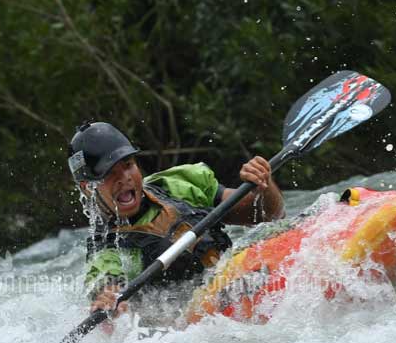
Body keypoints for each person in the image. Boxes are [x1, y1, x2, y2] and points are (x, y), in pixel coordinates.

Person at [67, 122, 284, 327]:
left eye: (128, 165)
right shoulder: (107, 249)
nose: (124, 178)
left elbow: (267, 214)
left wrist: (263, 186)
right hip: (201, 325)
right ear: (88, 188)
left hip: (242, 275)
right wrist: (108, 298)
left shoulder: (177, 185)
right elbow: (105, 281)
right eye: (109, 174)